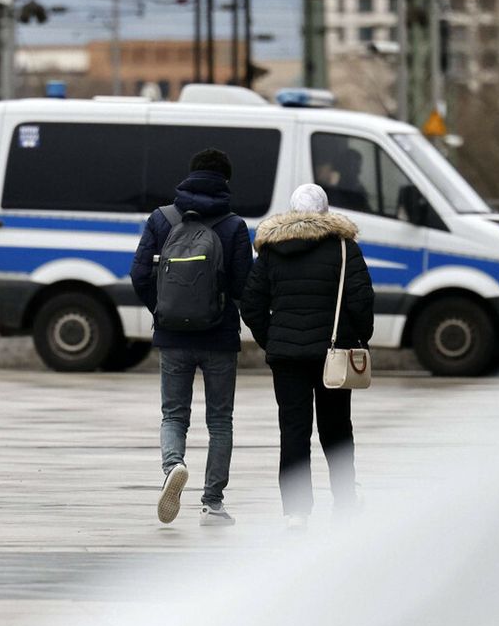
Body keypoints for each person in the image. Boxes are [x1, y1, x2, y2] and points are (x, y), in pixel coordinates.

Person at [130, 148, 254, 526]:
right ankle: (212, 504)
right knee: (220, 420)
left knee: (173, 414)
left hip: (173, 336)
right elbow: (243, 286)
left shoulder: (162, 219)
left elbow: (138, 275)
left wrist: (162, 310)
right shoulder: (233, 226)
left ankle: (174, 465)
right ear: (225, 181)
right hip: (219, 337)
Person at [241, 182, 374, 527]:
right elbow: (361, 301)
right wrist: (360, 338)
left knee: (294, 431)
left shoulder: (270, 251)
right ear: (325, 212)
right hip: (332, 354)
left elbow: (252, 303)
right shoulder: (344, 249)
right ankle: (344, 501)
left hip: (286, 359)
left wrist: (272, 340)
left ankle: (296, 512)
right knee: (337, 429)